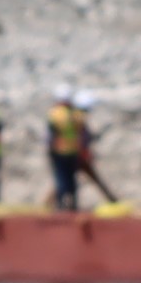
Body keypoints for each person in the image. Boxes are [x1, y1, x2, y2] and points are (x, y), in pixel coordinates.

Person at [45, 84, 88, 212]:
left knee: (61, 178)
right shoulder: (76, 114)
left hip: (59, 150)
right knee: (71, 178)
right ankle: (72, 204)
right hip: (73, 150)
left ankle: (61, 205)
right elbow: (82, 133)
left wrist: (50, 148)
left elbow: (51, 134)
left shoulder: (55, 114)